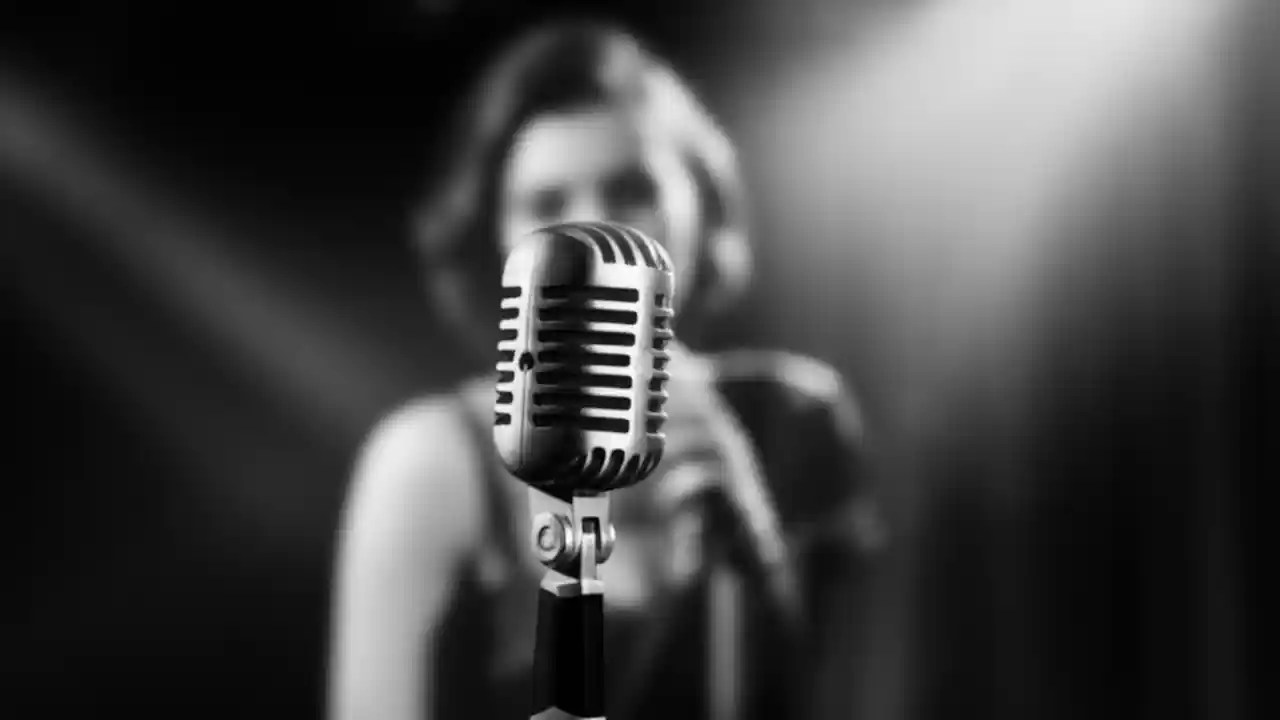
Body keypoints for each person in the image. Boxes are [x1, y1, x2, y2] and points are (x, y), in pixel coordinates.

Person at [327, 19, 884, 720]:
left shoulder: (799, 421)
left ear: (702, 207)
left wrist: (760, 565)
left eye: (631, 191)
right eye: (547, 204)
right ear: (495, 238)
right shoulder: (428, 464)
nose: (593, 235)